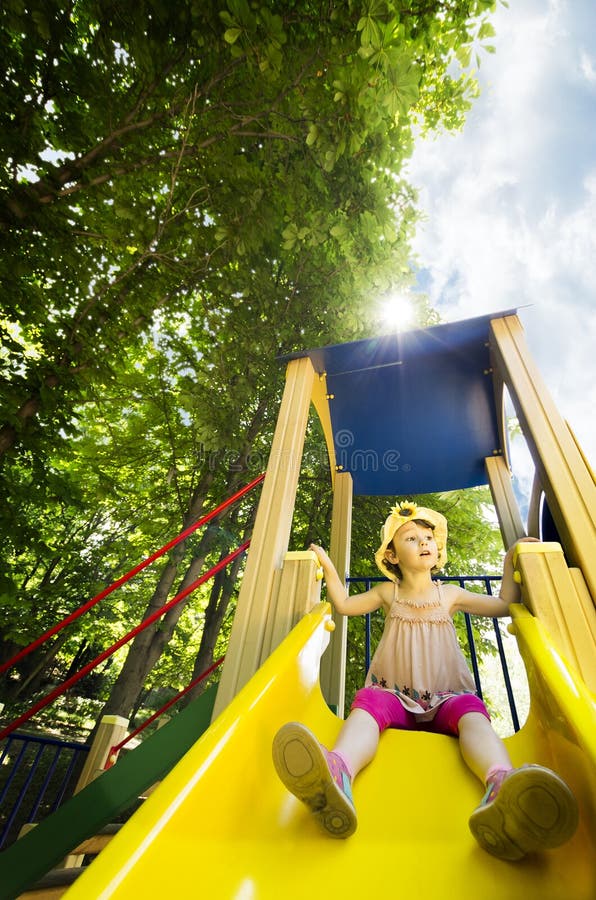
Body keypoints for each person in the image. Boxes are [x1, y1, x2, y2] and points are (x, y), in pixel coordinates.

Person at [272, 501, 579, 860]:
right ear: (391, 555)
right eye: (411, 538)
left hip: (446, 697)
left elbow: (503, 605)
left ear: (437, 550)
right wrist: (325, 563)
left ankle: (501, 784)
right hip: (393, 694)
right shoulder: (389, 593)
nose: (423, 542)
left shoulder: (450, 595)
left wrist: (511, 559)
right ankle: (338, 772)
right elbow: (342, 604)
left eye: (429, 537)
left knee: (472, 715)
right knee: (367, 707)